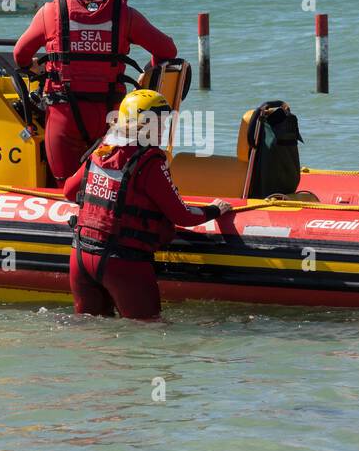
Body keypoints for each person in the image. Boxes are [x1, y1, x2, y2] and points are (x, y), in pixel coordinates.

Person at [63, 90, 232, 320]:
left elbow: (69, 191)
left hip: (81, 257)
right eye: (158, 123)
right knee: (149, 333)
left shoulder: (100, 149)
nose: (163, 129)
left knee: (91, 336)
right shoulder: (149, 160)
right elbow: (182, 216)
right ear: (139, 125)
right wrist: (215, 210)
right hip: (123, 263)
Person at [14, 0, 177, 183]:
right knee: (108, 185)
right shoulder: (126, 15)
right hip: (110, 118)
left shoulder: (50, 12)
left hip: (63, 116)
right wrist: (148, 74)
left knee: (65, 186)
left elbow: (20, 54)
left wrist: (34, 67)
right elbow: (167, 51)